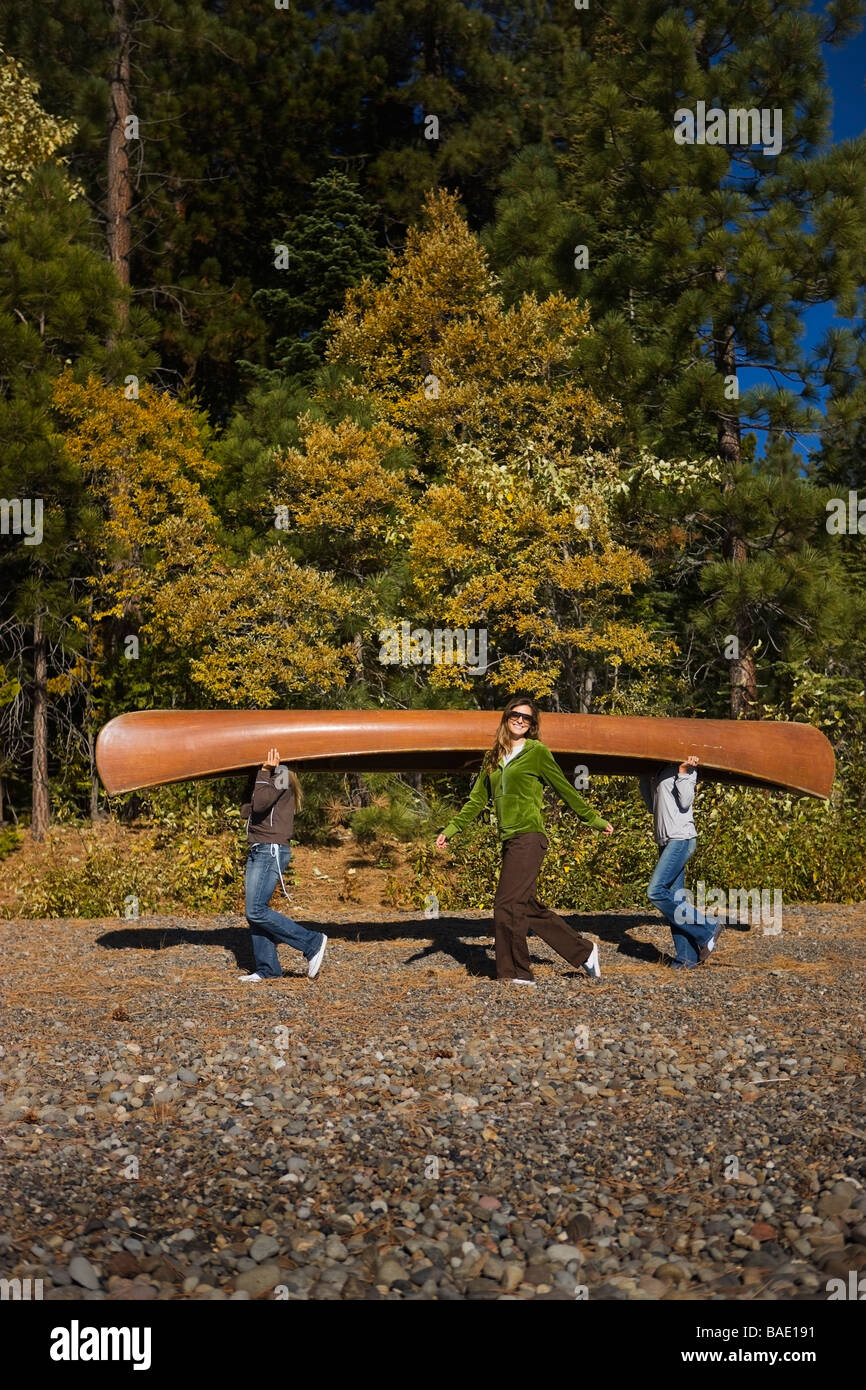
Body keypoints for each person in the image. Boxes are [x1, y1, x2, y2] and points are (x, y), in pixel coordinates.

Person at [435, 695, 613, 986]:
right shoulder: (492, 757)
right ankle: (584, 951)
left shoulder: (537, 752)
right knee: (526, 905)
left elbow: (564, 787)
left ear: (532, 724)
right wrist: (452, 828)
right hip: (509, 840)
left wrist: (592, 819)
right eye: (515, 714)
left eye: (527, 718)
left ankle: (516, 973)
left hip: (529, 836)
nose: (520, 720)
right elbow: (477, 800)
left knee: (506, 905)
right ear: (506, 718)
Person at [238, 747, 327, 983]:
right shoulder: (268, 777)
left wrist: (265, 771)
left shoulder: (283, 774)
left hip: (270, 849)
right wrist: (257, 775)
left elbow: (259, 806)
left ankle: (312, 942)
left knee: (256, 910)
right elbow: (247, 809)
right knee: (255, 913)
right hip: (259, 847)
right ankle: (268, 968)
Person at [639, 755, 724, 969]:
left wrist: (684, 773)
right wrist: (643, 778)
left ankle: (707, 928)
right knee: (676, 900)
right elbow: (653, 807)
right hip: (666, 841)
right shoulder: (658, 770)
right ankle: (687, 958)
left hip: (682, 839)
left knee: (655, 892)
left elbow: (686, 801)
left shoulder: (686, 767)